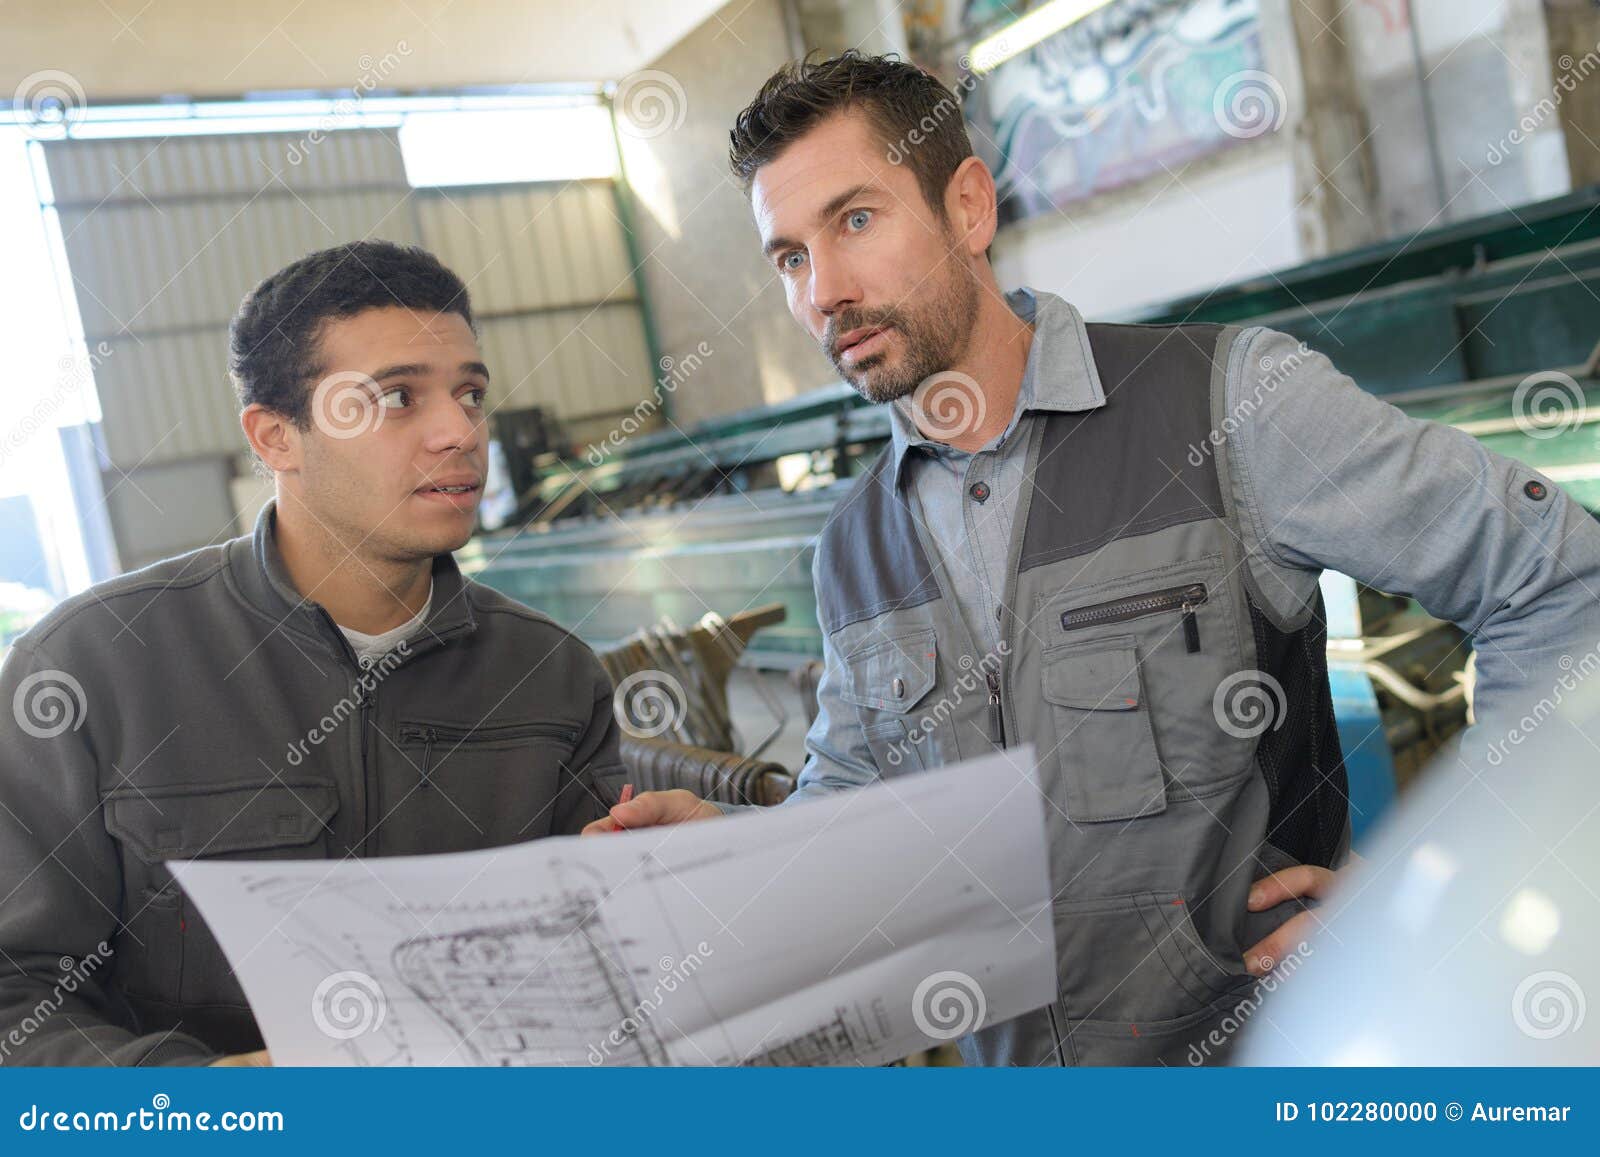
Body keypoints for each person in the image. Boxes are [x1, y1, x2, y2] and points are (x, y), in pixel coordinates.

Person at [586, 52, 1600, 1066]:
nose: (826, 293)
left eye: (855, 220)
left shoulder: (1228, 407)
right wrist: (730, 851)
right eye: (789, 258)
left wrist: (1427, 899)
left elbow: (1557, 578)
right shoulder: (855, 545)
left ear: (968, 206)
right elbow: (856, 803)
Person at [0, 241, 626, 1065]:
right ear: (276, 437)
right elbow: (16, 991)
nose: (460, 431)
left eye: (470, 392)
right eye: (397, 397)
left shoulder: (552, 676)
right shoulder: (89, 669)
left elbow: (611, 955)